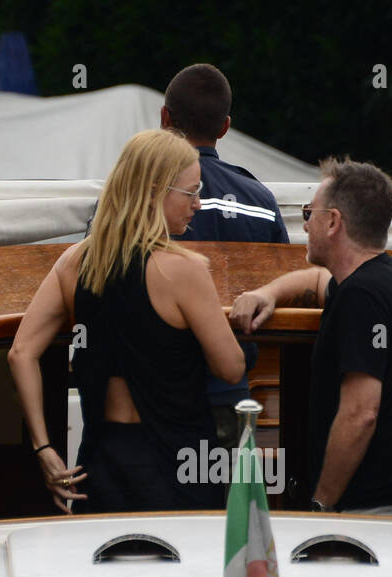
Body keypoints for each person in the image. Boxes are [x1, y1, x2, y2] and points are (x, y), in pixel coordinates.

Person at [9, 129, 245, 514]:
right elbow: (231, 368)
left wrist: (44, 447)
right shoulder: (185, 270)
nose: (198, 205)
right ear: (154, 191)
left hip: (101, 460)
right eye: (191, 192)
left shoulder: (74, 262)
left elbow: (20, 353)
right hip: (181, 463)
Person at [230, 158, 392, 517]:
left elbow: (360, 413)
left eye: (309, 214)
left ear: (334, 221)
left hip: (370, 512)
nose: (305, 226)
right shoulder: (387, 276)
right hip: (388, 504)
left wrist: (321, 503)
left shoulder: (361, 296)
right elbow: (318, 282)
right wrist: (268, 293)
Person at [161, 63, 287, 450]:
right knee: (225, 507)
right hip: (233, 397)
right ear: (225, 126)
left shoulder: (131, 200)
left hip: (149, 398)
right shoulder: (261, 204)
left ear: (165, 118)